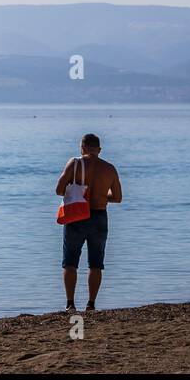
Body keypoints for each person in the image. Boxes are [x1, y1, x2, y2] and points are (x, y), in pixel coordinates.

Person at [55, 133, 122, 312]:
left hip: (76, 216)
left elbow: (58, 190)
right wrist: (101, 196)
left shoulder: (74, 163)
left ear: (82, 148)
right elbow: (117, 197)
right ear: (99, 150)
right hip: (99, 216)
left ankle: (70, 304)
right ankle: (91, 304)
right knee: (96, 263)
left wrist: (75, 190)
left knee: (70, 262)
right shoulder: (110, 169)